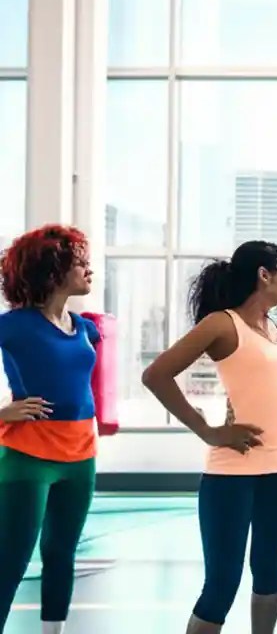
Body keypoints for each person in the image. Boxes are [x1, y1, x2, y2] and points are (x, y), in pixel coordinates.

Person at [141, 241, 277, 634]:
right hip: (232, 476)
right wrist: (207, 430)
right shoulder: (222, 324)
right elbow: (156, 375)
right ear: (264, 275)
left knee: (269, 572)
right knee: (222, 584)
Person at [0, 225, 99, 634]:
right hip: (29, 458)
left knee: (61, 554)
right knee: (10, 560)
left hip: (81, 457)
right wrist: (2, 413)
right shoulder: (14, 326)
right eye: (80, 262)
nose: (89, 269)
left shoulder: (86, 328)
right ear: (53, 271)